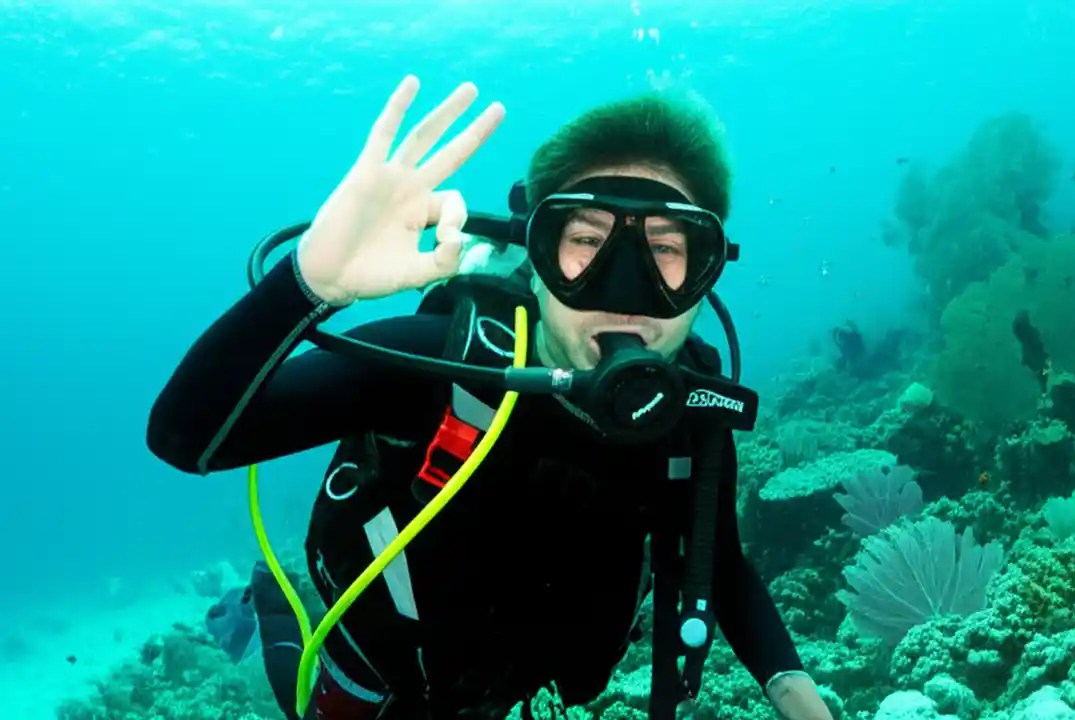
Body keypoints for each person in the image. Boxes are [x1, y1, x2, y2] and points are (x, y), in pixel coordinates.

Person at [147, 75, 831, 720]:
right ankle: (267, 602)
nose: (626, 290)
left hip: (520, 686)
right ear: (534, 256)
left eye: (668, 250)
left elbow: (721, 562)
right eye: (587, 242)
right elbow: (188, 437)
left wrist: (793, 686)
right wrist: (307, 285)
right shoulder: (443, 362)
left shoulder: (688, 414)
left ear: (708, 269)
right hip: (385, 672)